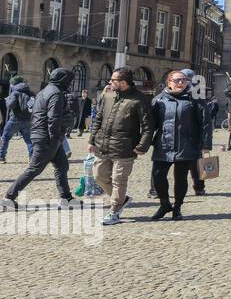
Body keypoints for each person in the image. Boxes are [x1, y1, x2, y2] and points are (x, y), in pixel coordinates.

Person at [86, 67, 155, 226]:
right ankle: (122, 199)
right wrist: (91, 140)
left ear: (123, 82)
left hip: (125, 148)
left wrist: (142, 146)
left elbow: (148, 126)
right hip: (103, 145)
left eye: (113, 80)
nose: (110, 82)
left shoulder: (139, 100)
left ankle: (115, 210)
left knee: (119, 180)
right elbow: (99, 118)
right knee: (99, 176)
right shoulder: (108, 95)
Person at [3, 68, 78, 208]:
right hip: (48, 137)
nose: (70, 83)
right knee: (34, 169)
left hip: (44, 135)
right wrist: (54, 138)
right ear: (63, 80)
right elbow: (53, 118)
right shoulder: (56, 93)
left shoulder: (44, 91)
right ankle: (9, 197)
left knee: (62, 165)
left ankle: (66, 198)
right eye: (69, 80)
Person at [148, 70, 213, 221]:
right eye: (177, 80)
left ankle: (177, 207)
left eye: (184, 80)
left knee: (180, 178)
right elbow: (150, 124)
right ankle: (164, 204)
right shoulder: (159, 100)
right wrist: (142, 143)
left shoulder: (195, 99)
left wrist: (205, 144)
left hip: (187, 145)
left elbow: (205, 122)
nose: (181, 83)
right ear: (169, 82)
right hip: (164, 144)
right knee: (158, 175)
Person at [0, 75, 35, 163]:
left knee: (5, 137)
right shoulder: (31, 93)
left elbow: (10, 105)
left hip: (15, 119)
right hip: (27, 120)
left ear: (14, 84)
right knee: (29, 140)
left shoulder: (15, 93)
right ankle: (32, 158)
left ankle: (1, 157)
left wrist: (7, 100)